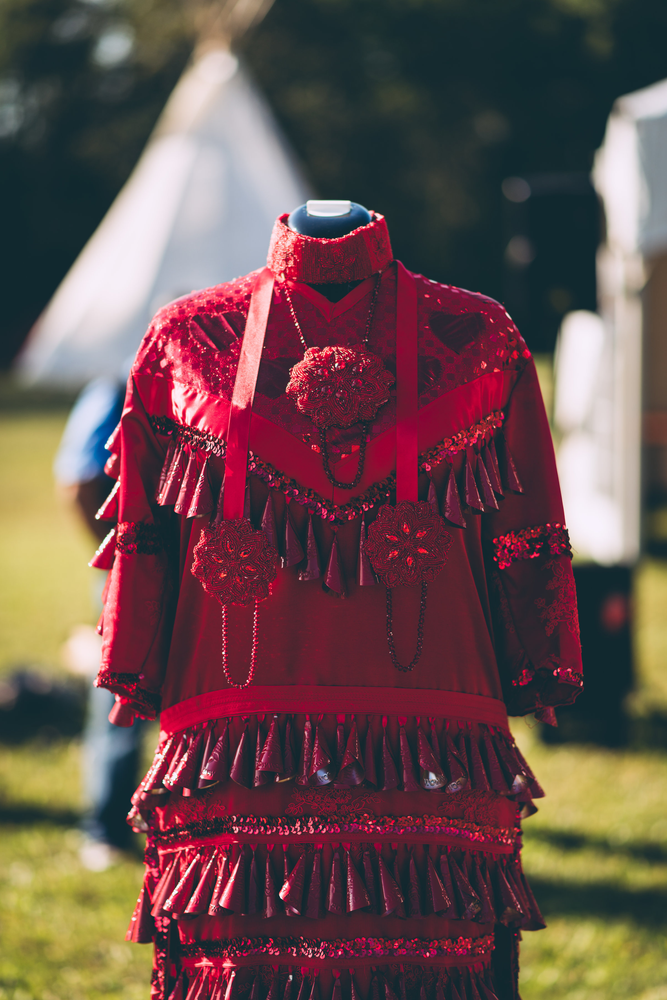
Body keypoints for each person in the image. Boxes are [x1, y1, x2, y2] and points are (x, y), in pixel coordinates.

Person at [94, 204, 583, 999]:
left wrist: (135, 665)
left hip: (389, 723)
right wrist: (539, 667)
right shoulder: (187, 335)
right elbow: (143, 530)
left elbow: (526, 525)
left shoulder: (479, 334)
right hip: (267, 725)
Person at [55, 374, 146, 869]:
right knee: (119, 690)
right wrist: (118, 555)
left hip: (211, 562)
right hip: (133, 564)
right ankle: (107, 825)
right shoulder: (117, 380)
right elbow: (78, 476)